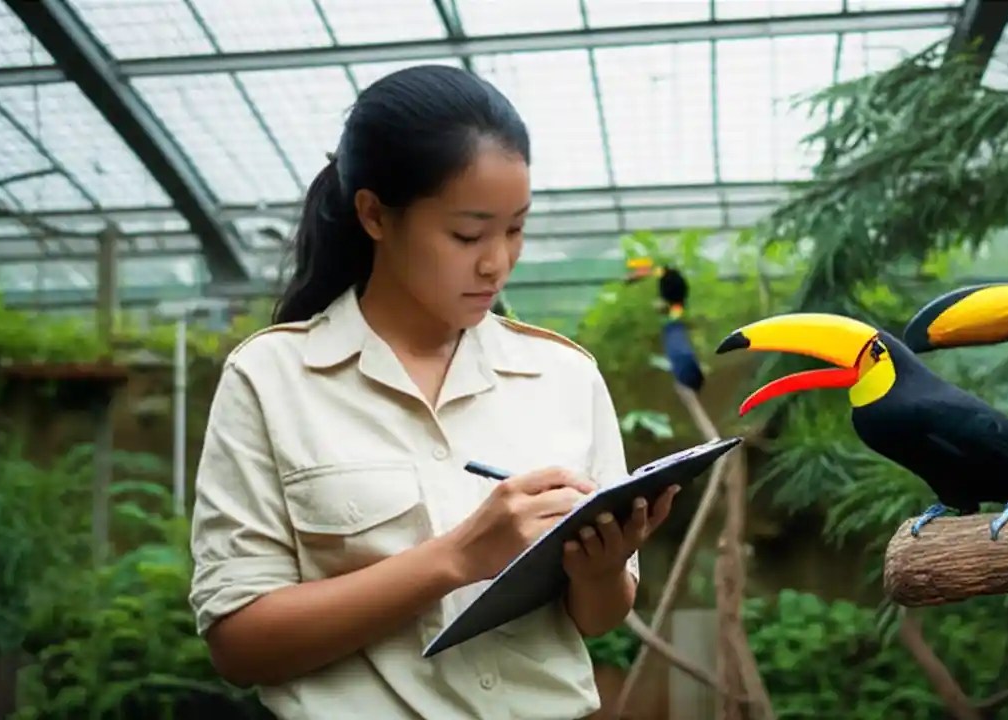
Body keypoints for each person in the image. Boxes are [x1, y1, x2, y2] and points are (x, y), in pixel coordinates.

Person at [187, 64, 680, 719]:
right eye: (467, 233)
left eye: (516, 228)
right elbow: (240, 644)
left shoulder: (564, 377)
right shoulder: (272, 379)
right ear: (374, 215)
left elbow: (597, 618)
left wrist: (599, 571)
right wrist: (456, 558)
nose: (496, 262)